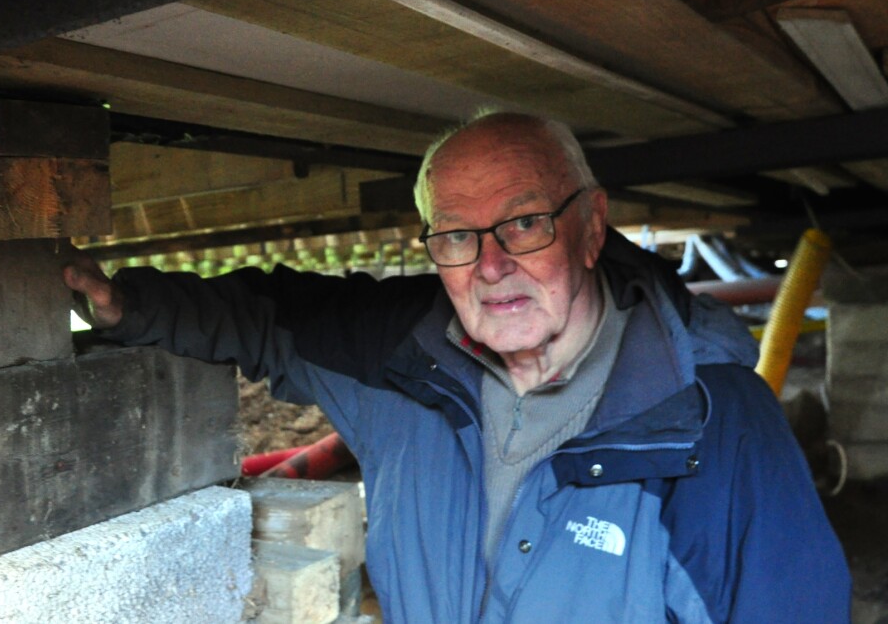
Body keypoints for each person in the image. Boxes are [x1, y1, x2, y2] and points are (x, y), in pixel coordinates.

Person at [64, 113, 850, 622]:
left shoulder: (710, 421)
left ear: (590, 227)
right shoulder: (400, 357)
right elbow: (270, 315)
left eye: (525, 223)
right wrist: (125, 303)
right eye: (457, 237)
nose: (492, 264)